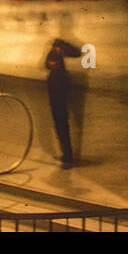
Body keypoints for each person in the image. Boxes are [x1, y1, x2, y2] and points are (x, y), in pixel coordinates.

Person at [44, 39, 81, 168]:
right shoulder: (56, 59)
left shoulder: (58, 70)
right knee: (61, 125)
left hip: (57, 91)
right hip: (58, 90)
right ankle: (67, 154)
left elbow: (47, 65)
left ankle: (68, 156)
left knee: (61, 125)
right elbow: (47, 64)